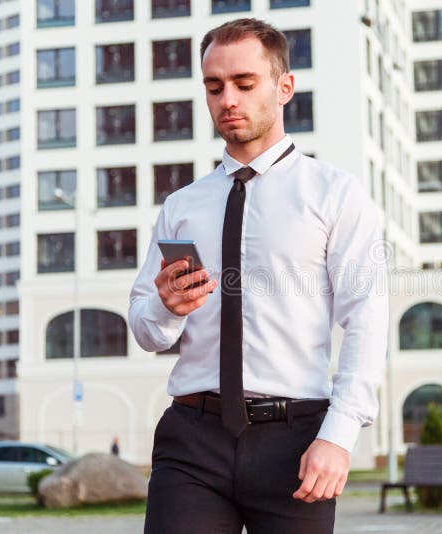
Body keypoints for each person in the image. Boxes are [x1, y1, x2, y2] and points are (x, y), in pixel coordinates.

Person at [129, 18, 388, 534]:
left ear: (284, 87)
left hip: (295, 440)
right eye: (214, 86)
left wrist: (338, 436)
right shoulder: (182, 205)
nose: (228, 99)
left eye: (245, 84)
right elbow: (144, 328)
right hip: (192, 439)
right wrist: (165, 307)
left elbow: (366, 319)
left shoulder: (335, 193)